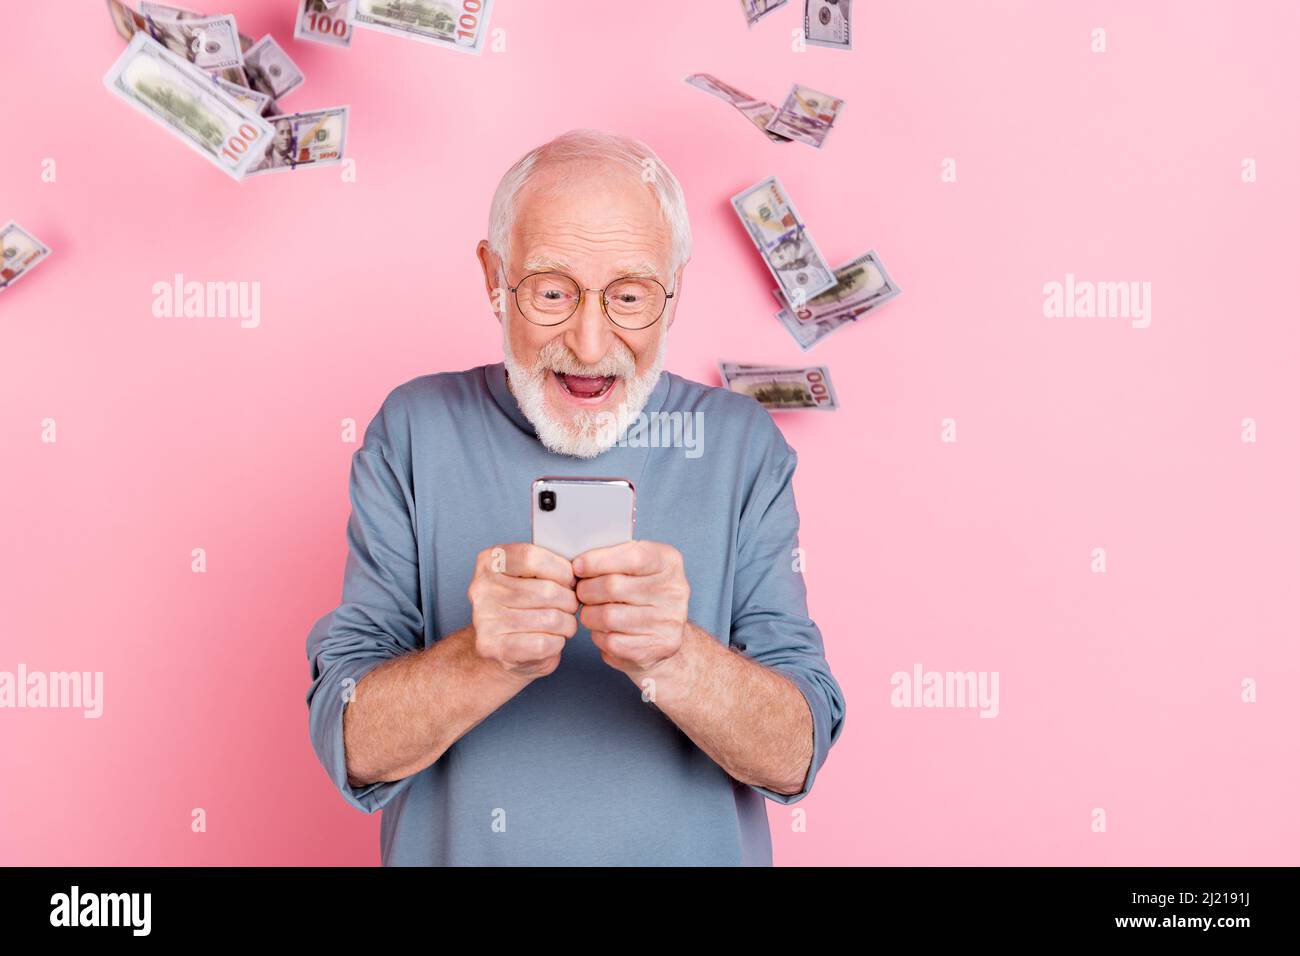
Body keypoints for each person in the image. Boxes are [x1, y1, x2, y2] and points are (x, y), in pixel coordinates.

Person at [305, 128, 846, 865]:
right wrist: (482, 660)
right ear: (494, 277)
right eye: (553, 292)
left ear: (674, 291)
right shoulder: (413, 431)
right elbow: (350, 743)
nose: (591, 345)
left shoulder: (740, 447)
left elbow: (795, 755)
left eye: (628, 296)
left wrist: (675, 659)